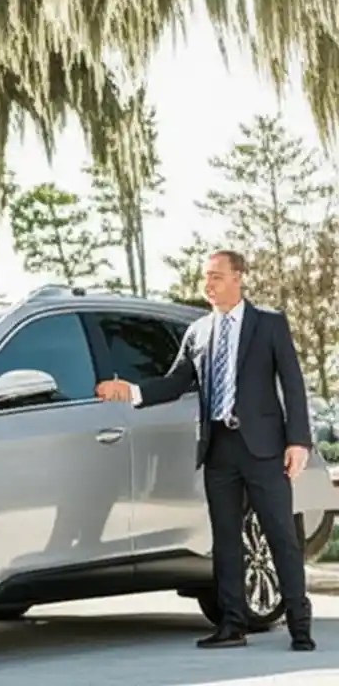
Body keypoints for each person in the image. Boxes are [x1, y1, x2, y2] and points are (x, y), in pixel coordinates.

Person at [96, 249, 315, 651]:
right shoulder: (197, 332)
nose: (208, 285)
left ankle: (300, 625)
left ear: (238, 277)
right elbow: (176, 381)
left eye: (216, 277)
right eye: (205, 278)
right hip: (219, 448)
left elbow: (293, 383)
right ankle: (232, 625)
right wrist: (132, 392)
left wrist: (298, 441)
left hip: (264, 449)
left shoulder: (269, 325)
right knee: (226, 539)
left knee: (280, 535)